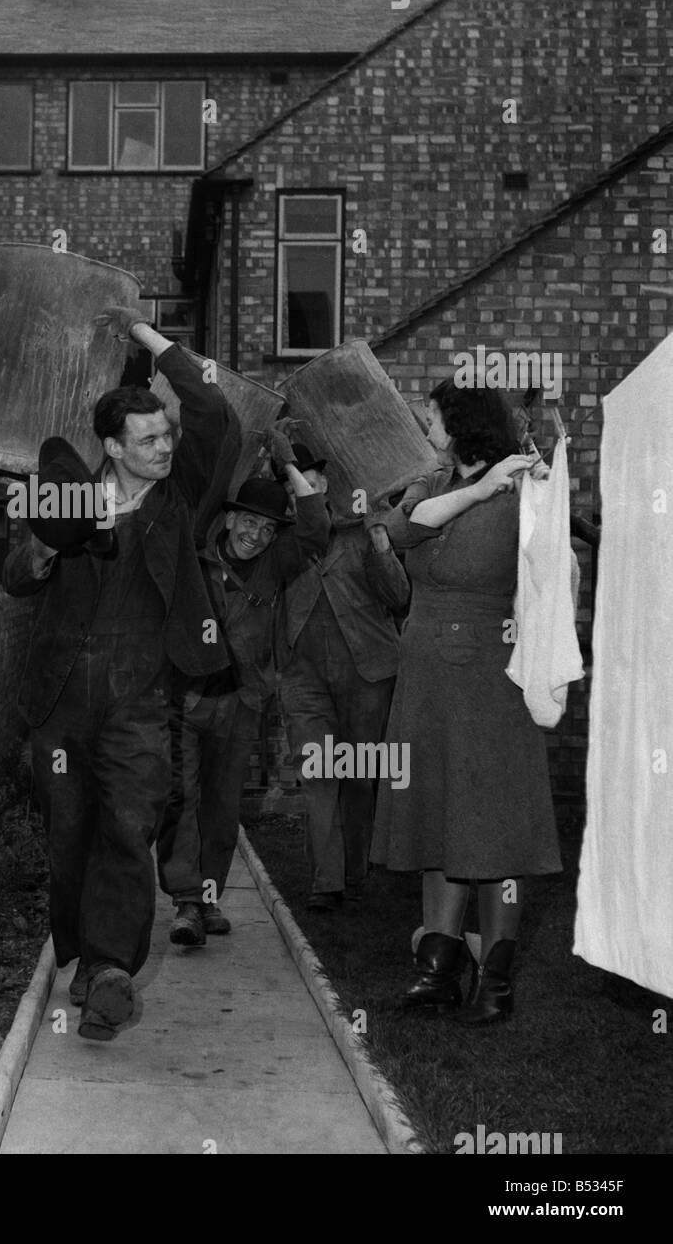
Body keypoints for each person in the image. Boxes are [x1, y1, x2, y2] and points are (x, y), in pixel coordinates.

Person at [2, 306, 233, 1041]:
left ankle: (108, 971)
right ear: (110, 446)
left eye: (164, 436)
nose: (163, 447)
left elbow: (215, 413)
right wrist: (43, 547)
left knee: (129, 830)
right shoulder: (64, 497)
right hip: (64, 697)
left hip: (139, 698)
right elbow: (15, 577)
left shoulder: (178, 501)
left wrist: (148, 340)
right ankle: (81, 956)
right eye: (146, 439)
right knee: (71, 834)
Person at [370, 380, 557, 1025]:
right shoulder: (435, 482)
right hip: (424, 676)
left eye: (432, 414)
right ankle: (438, 970)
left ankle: (495, 983)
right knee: (434, 818)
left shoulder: (531, 489)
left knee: (493, 827)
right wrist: (479, 489)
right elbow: (400, 529)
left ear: (461, 420)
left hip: (490, 676)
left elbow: (554, 571)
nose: (425, 423)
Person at [158, 441, 329, 945]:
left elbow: (316, 528)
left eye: (269, 527)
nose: (257, 535)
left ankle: (206, 899)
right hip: (187, 700)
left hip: (242, 704)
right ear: (229, 520)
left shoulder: (277, 563)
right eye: (249, 522)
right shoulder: (194, 556)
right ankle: (186, 902)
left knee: (223, 806)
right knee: (181, 799)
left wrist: (289, 465)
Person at [274, 444, 411, 912]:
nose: (300, 493)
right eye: (292, 486)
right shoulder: (283, 539)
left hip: (367, 669)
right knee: (318, 773)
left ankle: (356, 872)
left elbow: (399, 597)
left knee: (358, 773)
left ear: (326, 484)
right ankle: (325, 882)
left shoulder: (360, 530)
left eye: (308, 481)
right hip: (303, 675)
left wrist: (378, 540)